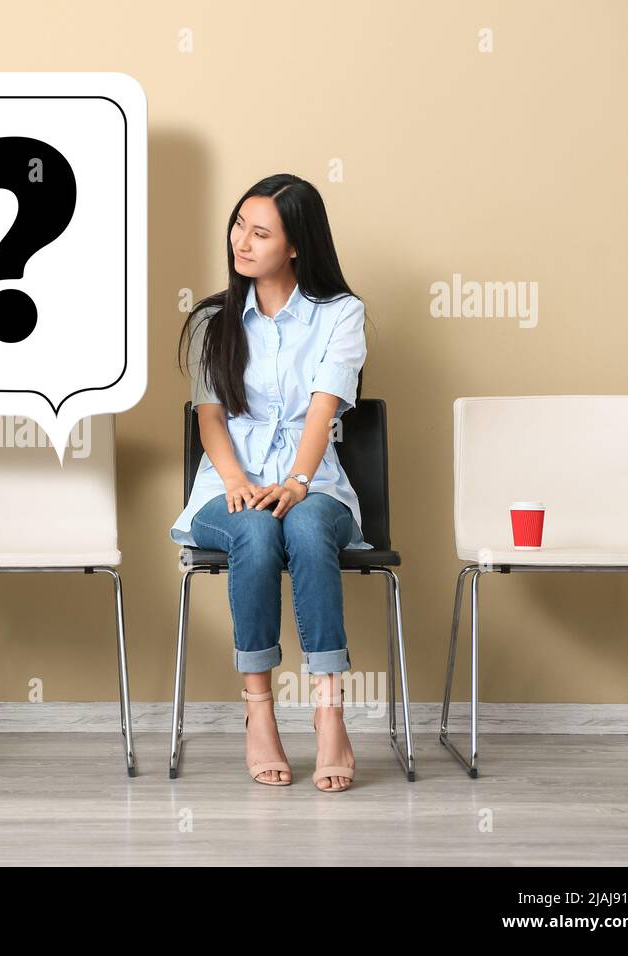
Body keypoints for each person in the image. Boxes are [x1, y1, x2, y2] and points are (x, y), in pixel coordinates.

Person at [171, 173, 371, 792]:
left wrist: (296, 482)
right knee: (254, 532)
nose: (242, 242)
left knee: (306, 527)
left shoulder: (342, 315)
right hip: (223, 487)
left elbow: (322, 408)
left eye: (260, 233)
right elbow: (209, 420)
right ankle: (259, 712)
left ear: (295, 245)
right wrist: (236, 482)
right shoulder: (214, 320)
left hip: (316, 482)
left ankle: (328, 711)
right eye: (239, 227)